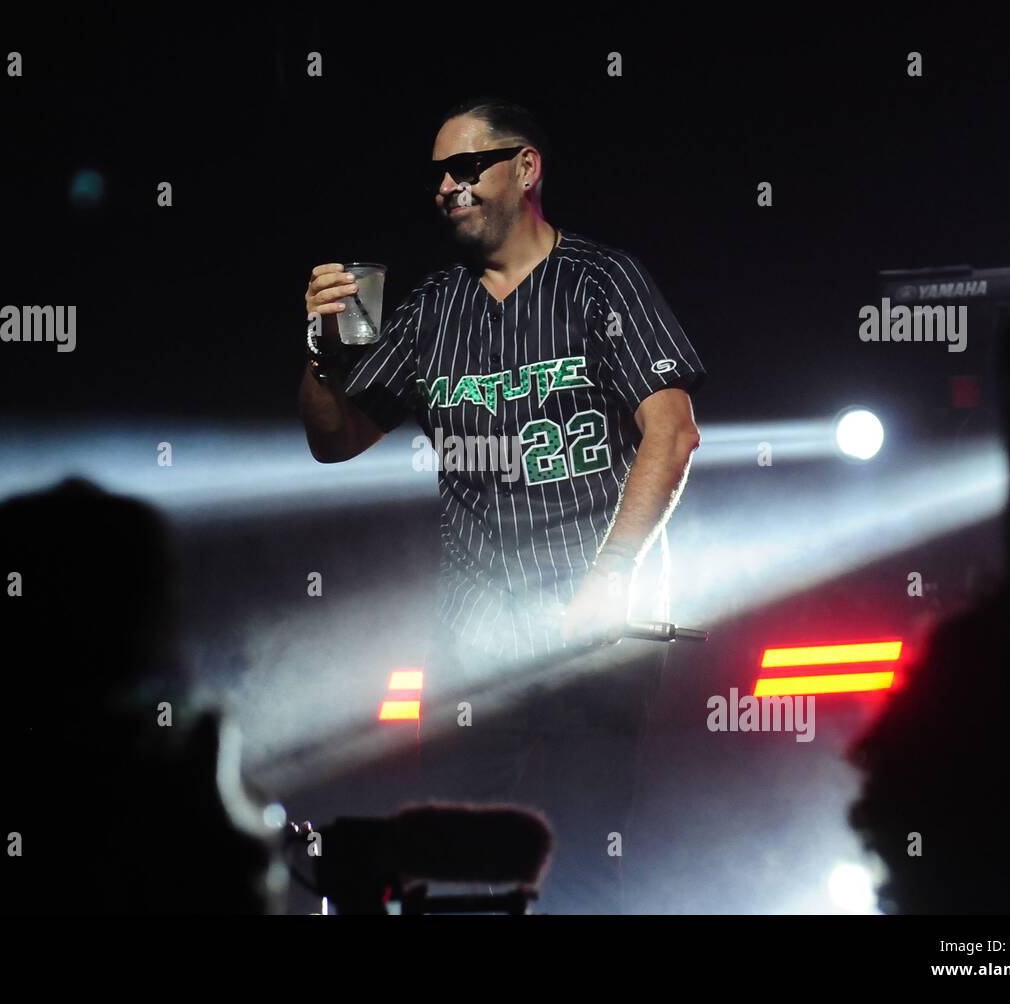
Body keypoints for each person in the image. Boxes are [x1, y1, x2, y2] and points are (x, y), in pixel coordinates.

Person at [298, 97, 706, 913]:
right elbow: (334, 441)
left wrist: (610, 576)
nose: (446, 186)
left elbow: (673, 432)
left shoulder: (600, 281)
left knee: (586, 860)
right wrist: (318, 351)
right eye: (436, 175)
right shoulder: (428, 313)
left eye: (465, 166)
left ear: (526, 167)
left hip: (596, 630)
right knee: (451, 863)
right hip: (475, 640)